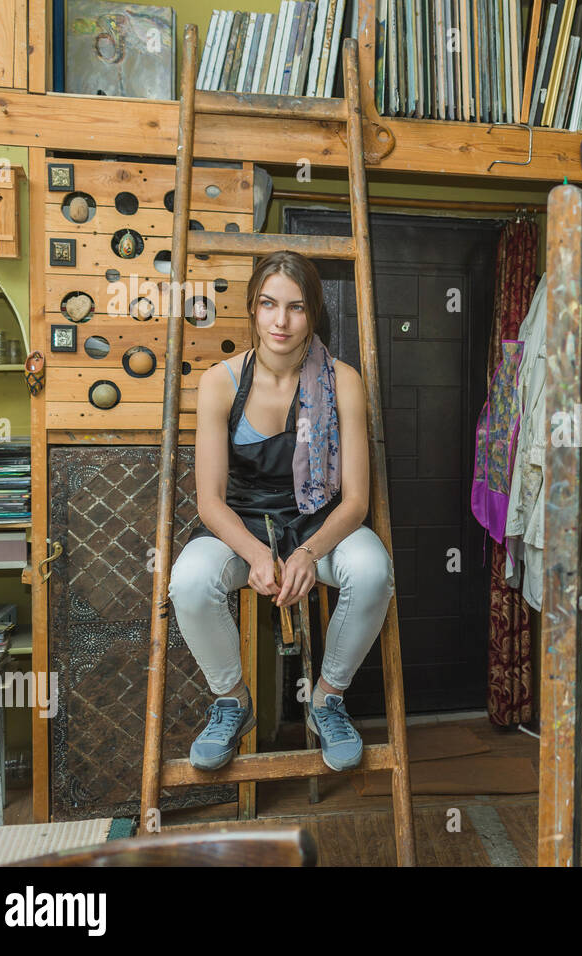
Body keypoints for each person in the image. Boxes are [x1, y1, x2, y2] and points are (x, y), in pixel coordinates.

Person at [169, 250, 393, 772]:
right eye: (269, 304)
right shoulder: (220, 382)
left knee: (373, 569)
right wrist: (253, 554)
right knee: (189, 578)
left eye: (295, 308)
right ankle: (232, 701)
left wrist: (310, 553)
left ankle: (327, 699)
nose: (281, 321)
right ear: (252, 308)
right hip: (241, 526)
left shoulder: (344, 382)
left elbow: (357, 499)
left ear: (313, 314)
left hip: (321, 525)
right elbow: (209, 500)